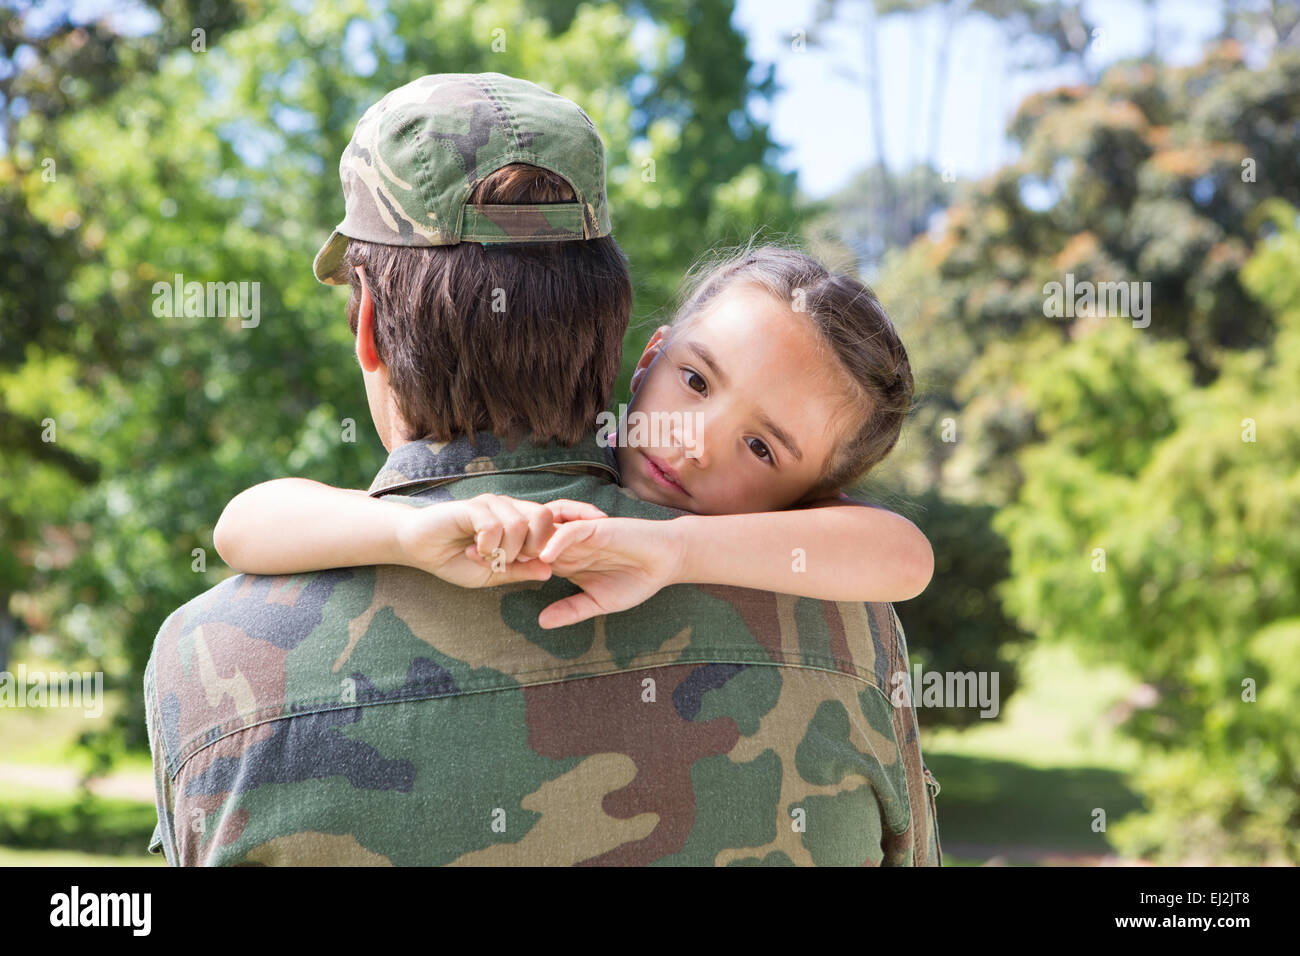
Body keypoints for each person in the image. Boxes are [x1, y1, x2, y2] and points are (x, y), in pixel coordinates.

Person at [143, 71, 943, 866]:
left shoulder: (203, 657)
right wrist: (408, 531)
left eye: (762, 448)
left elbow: (903, 552)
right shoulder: (841, 629)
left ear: (369, 333)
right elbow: (245, 521)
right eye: (696, 382)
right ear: (634, 346)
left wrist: (672, 550)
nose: (693, 442)